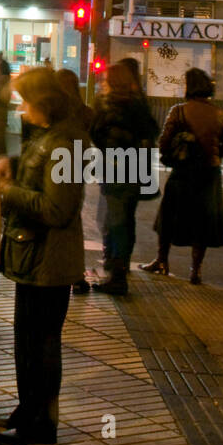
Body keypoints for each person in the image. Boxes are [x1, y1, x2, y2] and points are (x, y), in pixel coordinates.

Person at [0, 68, 84, 445]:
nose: (21, 108)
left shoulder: (67, 144)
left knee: (41, 343)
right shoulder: (47, 136)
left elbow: (56, 210)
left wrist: (8, 190)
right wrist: (14, 168)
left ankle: (40, 425)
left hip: (50, 260)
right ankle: (27, 409)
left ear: (43, 103)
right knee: (26, 340)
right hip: (32, 255)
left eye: (26, 101)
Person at [143, 68, 223, 284]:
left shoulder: (178, 111)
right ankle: (196, 270)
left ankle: (162, 261)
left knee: (169, 218)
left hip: (183, 173)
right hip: (209, 174)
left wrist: (177, 152)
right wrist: (213, 151)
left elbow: (163, 142)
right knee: (202, 223)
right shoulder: (220, 114)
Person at [89, 63, 158, 295]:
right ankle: (120, 268)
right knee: (125, 221)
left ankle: (117, 275)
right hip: (136, 170)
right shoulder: (138, 104)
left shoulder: (109, 106)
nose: (103, 83)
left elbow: (97, 134)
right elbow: (151, 131)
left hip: (116, 170)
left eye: (106, 79)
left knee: (115, 222)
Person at [56, 69, 94, 295]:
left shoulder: (55, 112)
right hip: (77, 169)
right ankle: (77, 275)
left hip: (56, 166)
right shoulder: (85, 112)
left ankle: (63, 271)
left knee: (57, 223)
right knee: (73, 221)